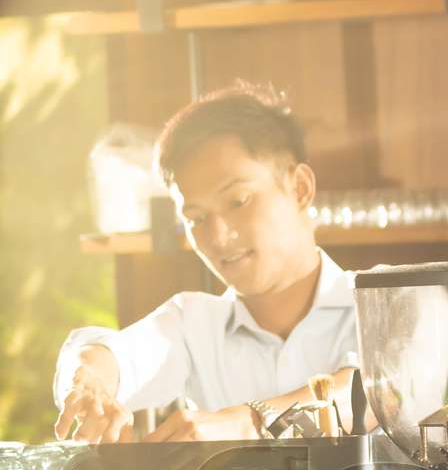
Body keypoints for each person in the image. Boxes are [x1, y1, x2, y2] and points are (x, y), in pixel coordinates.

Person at [53, 82, 359, 443]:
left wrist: (252, 421)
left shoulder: (383, 305)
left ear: (300, 188)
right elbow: (108, 355)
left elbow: (374, 391)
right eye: (196, 218)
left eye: (238, 201)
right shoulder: (193, 325)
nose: (218, 236)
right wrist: (89, 383)